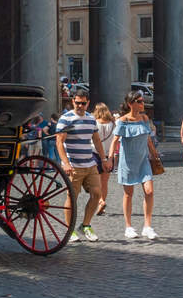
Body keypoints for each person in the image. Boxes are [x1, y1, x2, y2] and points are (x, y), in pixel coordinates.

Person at [108, 91, 160, 240]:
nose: (143, 104)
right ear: (131, 104)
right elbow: (114, 141)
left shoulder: (144, 118)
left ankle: (147, 226)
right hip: (128, 162)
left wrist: (154, 152)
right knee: (128, 194)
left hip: (143, 160)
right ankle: (128, 227)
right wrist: (110, 159)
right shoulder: (123, 120)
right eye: (139, 101)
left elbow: (148, 138)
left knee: (149, 191)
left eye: (143, 101)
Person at [55, 90, 105, 242]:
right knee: (72, 197)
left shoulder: (91, 119)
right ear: (73, 101)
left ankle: (86, 225)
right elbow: (59, 142)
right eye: (77, 102)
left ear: (88, 103)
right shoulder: (66, 118)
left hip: (90, 163)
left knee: (97, 194)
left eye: (83, 103)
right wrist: (65, 163)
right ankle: (70, 229)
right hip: (74, 165)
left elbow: (96, 140)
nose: (80, 106)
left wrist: (104, 159)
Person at [92, 102, 115, 216]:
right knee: (104, 182)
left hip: (95, 154)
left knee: (95, 182)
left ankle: (100, 201)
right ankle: (102, 202)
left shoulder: (94, 123)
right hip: (108, 155)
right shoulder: (113, 123)